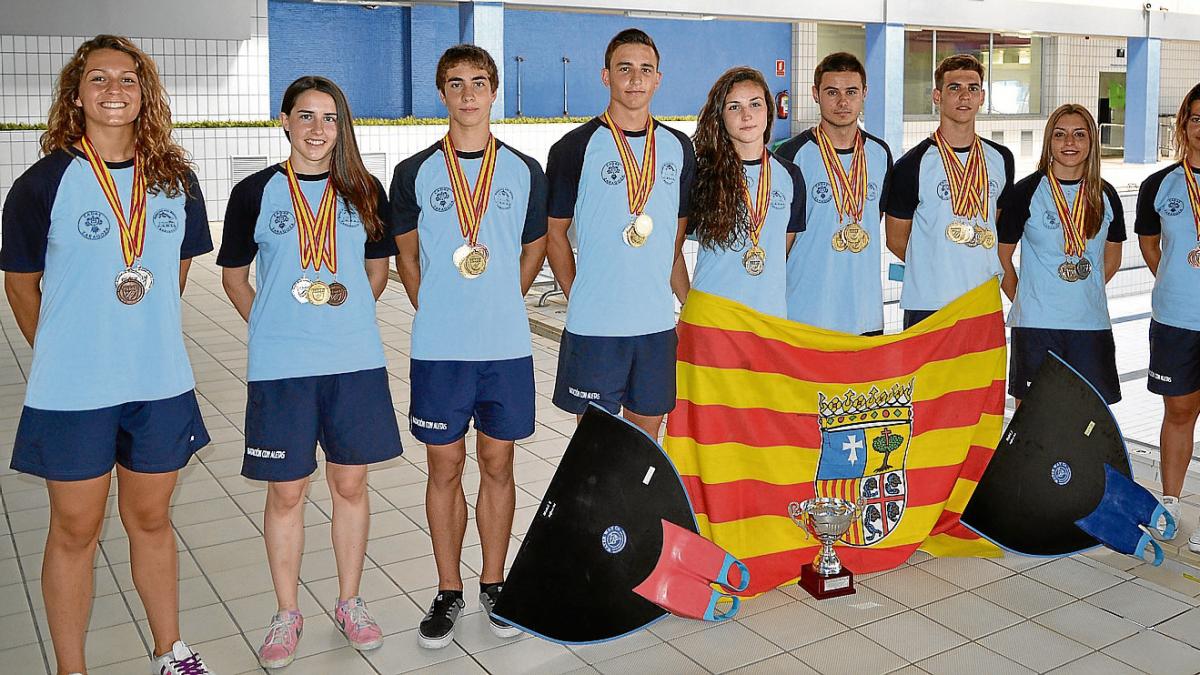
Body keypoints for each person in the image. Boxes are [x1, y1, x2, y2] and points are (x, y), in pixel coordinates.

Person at [0, 35, 214, 675]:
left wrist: (134, 334)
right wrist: (69, 350)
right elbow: (20, 284)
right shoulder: (43, 183)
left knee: (152, 520)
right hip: (74, 392)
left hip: (158, 383)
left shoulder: (177, 181)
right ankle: (72, 669)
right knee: (74, 531)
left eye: (128, 78)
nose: (114, 89)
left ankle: (168, 650)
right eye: (98, 79)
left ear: (145, 93)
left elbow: (173, 271)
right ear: (75, 94)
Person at [217, 75, 402, 669]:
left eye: (329, 118)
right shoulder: (254, 193)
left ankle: (350, 601)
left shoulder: (366, 191)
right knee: (287, 491)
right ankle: (287, 611)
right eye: (306, 116)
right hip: (282, 369)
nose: (318, 129)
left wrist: (340, 321)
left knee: (350, 486)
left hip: (354, 365)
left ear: (341, 126)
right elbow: (234, 278)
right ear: (285, 121)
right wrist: (271, 326)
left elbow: (378, 272)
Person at [391, 45, 548, 649]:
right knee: (444, 465)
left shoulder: (523, 170)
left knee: (499, 463)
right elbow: (406, 256)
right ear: (442, 93)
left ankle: (495, 583)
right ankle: (449, 588)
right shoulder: (415, 173)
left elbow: (534, 247)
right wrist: (438, 307)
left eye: (478, 83)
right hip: (439, 349)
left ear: (493, 91)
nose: (467, 95)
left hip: (505, 348)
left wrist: (501, 299)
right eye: (455, 84)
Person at [546, 28, 696, 438]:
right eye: (624, 68)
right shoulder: (574, 147)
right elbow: (553, 234)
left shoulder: (679, 148)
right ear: (605, 76)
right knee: (596, 451)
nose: (635, 79)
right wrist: (576, 293)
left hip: (654, 328)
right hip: (595, 329)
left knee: (645, 447)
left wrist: (681, 302)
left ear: (658, 79)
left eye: (645, 69)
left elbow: (675, 237)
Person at [997, 104, 1125, 407]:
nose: (1070, 143)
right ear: (1049, 141)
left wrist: (1081, 289)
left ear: (1092, 142)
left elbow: (1112, 259)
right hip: (1036, 325)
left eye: (1079, 135)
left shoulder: (1105, 194)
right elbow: (1000, 258)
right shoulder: (1025, 192)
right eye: (1060, 135)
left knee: (1088, 420)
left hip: (1090, 325)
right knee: (1034, 419)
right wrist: (1026, 296)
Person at [885, 54, 1014, 329]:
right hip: (930, 305)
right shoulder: (912, 165)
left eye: (973, 88)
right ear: (937, 96)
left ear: (982, 97)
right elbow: (896, 240)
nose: (964, 96)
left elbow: (994, 222)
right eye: (954, 87)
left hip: (983, 301)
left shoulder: (1001, 158)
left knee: (981, 374)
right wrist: (937, 266)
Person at [776, 52, 892, 335]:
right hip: (805, 316)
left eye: (851, 92)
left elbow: (872, 219)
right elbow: (778, 241)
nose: (842, 102)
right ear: (816, 94)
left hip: (866, 317)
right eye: (832, 92)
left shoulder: (880, 153)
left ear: (864, 93)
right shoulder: (791, 155)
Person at [1135, 81, 1200, 553]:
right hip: (1176, 320)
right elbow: (1149, 244)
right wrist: (1177, 283)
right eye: (1196, 118)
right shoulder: (1161, 184)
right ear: (1183, 124)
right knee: (1178, 411)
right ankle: (1172, 502)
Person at [686, 66, 805, 316]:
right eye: (734, 107)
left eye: (755, 104)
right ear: (720, 116)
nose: (746, 115)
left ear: (768, 111)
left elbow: (779, 250)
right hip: (713, 319)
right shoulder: (702, 174)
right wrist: (689, 302)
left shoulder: (790, 176)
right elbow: (672, 249)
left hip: (767, 320)